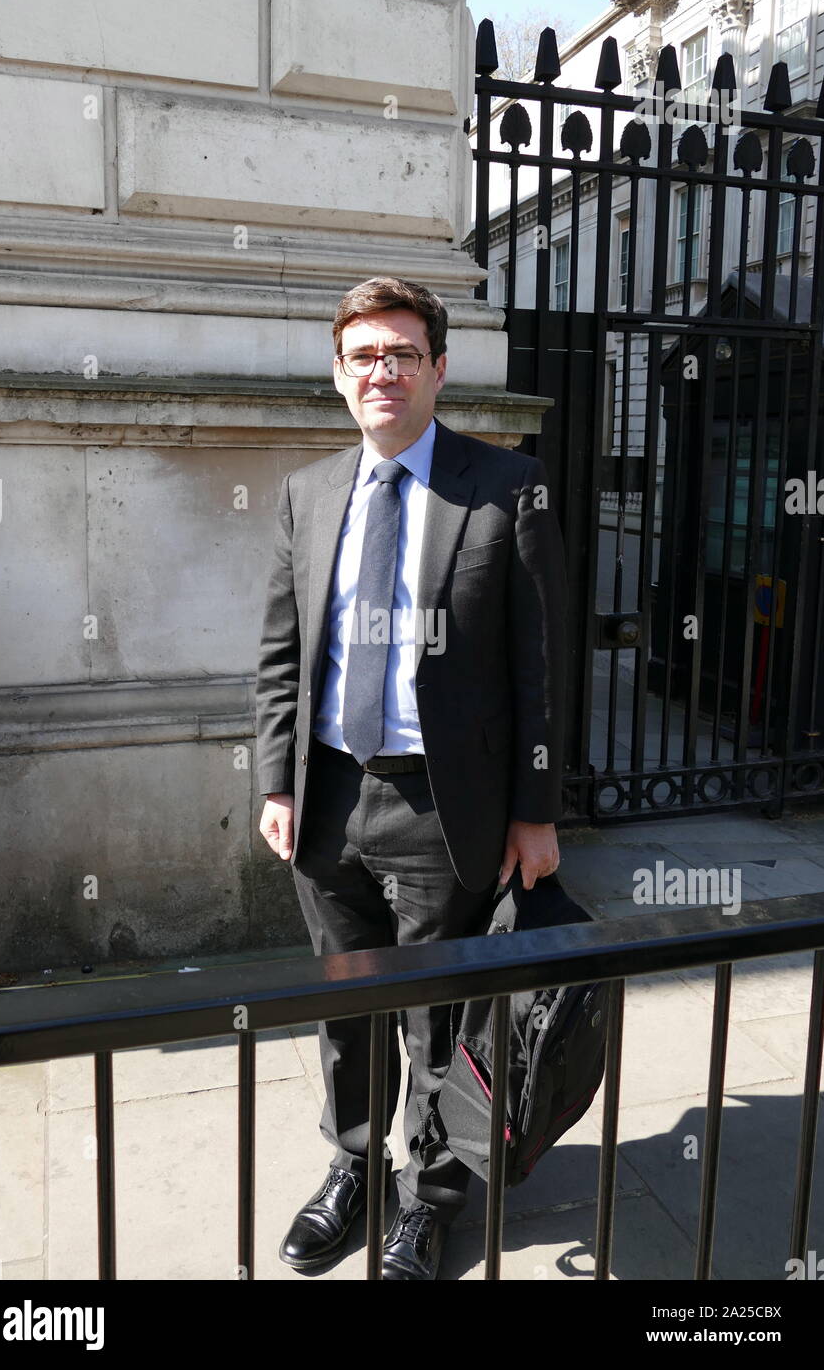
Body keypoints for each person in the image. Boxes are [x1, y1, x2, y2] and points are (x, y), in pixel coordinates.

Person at [254, 275, 567, 1279]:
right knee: (346, 1006)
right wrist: (276, 780)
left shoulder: (505, 485)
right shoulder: (305, 492)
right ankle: (351, 1162)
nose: (379, 370)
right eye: (361, 356)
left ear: (437, 368)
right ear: (338, 377)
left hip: (447, 804)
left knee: (438, 1017)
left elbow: (542, 664)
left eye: (399, 353)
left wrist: (533, 809)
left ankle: (428, 1195)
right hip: (331, 797)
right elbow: (278, 651)